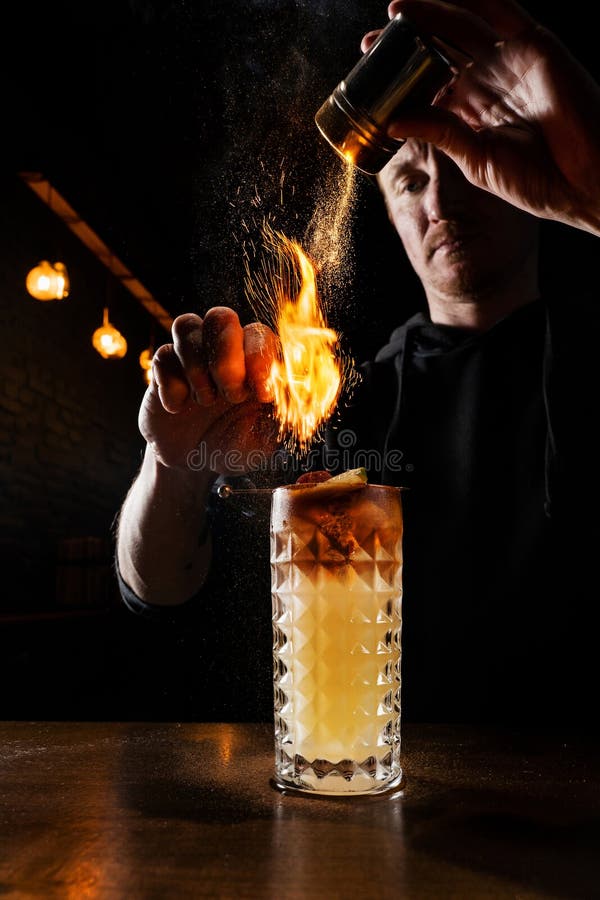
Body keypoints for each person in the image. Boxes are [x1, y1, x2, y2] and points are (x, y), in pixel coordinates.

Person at [115, 0, 600, 726]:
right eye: (409, 179)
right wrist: (173, 464)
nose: (440, 198)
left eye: (466, 164)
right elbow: (157, 589)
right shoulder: (352, 402)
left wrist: (595, 186)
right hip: (379, 792)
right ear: (388, 205)